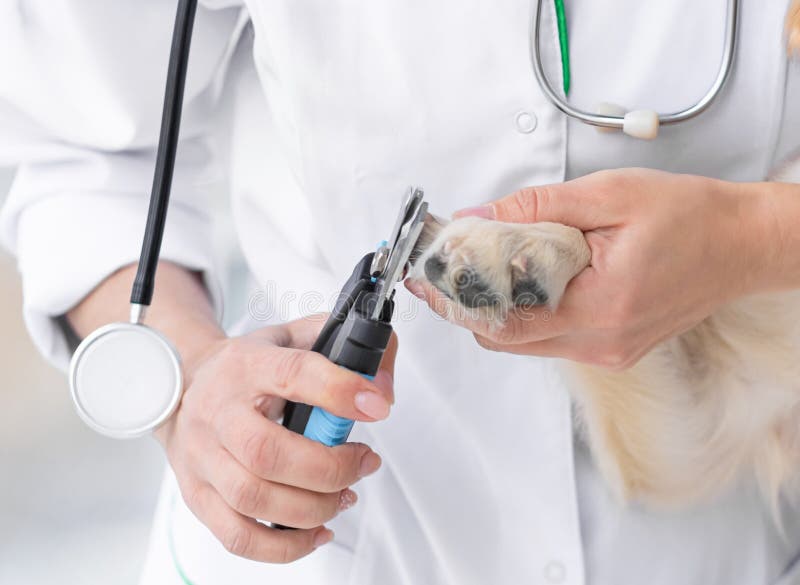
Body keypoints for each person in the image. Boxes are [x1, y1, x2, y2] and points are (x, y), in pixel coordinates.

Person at [2, 1, 800, 584]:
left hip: (736, 530)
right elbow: (77, 150)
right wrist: (194, 389)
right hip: (346, 549)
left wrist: (752, 239)